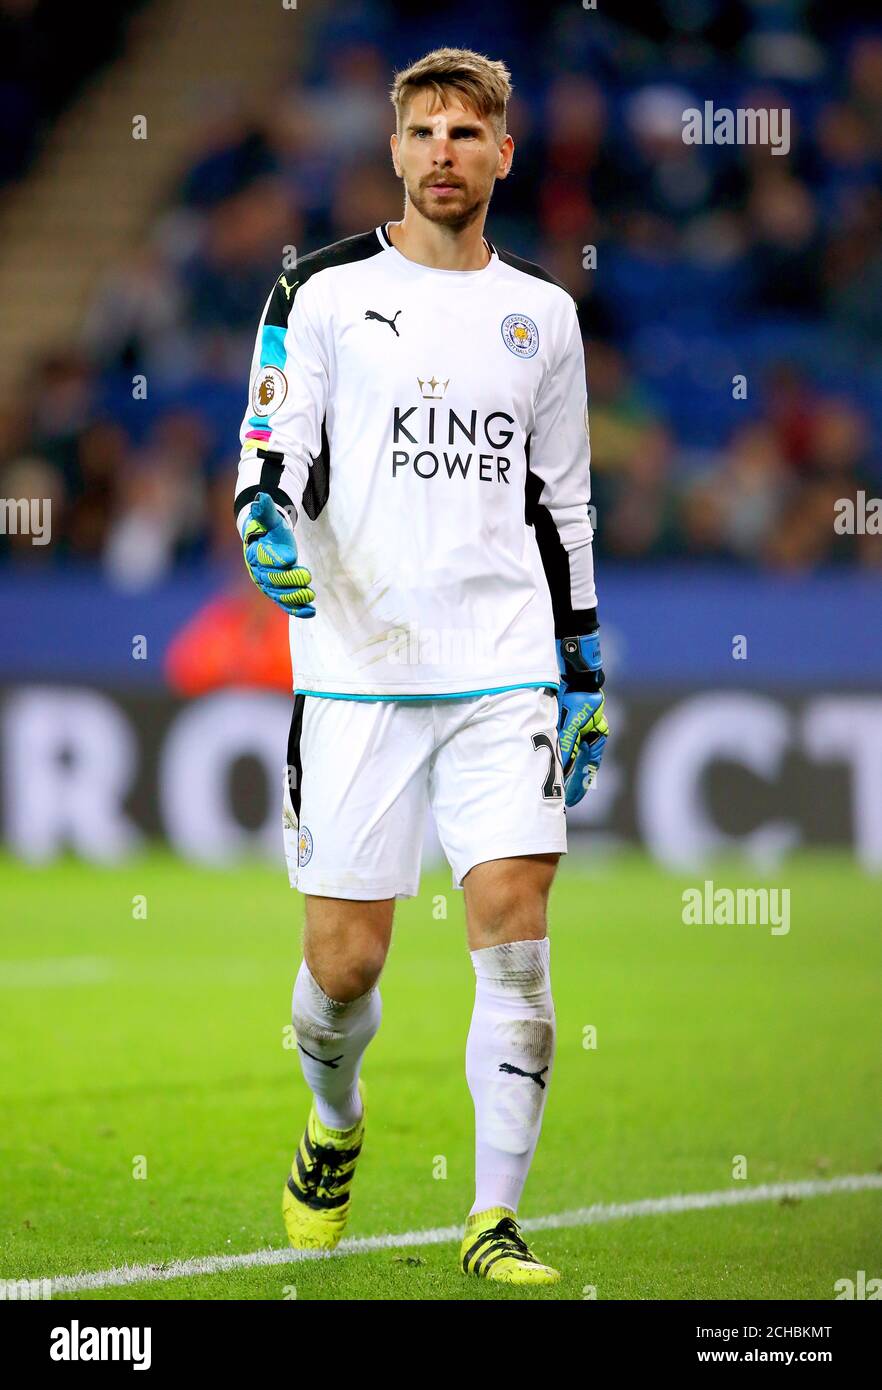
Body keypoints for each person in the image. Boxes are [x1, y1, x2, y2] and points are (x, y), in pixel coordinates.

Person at [233, 47, 609, 1286]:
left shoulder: (545, 317)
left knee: (515, 935)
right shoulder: (321, 289)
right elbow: (270, 447)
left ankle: (492, 1218)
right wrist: (263, 521)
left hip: (502, 670)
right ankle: (334, 1120)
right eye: (424, 131)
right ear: (393, 151)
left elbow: (561, 506)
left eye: (468, 131)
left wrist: (584, 659)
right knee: (344, 969)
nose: (443, 150)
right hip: (355, 665)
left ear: (505, 153)